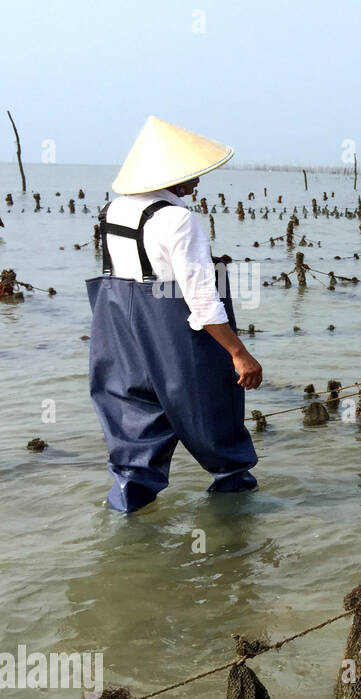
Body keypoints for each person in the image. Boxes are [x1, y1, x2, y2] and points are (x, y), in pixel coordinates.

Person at [87, 116, 261, 512]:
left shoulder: (112, 211)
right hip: (173, 331)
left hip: (117, 328)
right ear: (170, 176)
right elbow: (202, 299)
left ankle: (125, 518)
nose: (197, 181)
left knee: (134, 426)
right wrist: (239, 353)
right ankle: (235, 525)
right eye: (190, 174)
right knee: (214, 419)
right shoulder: (177, 219)